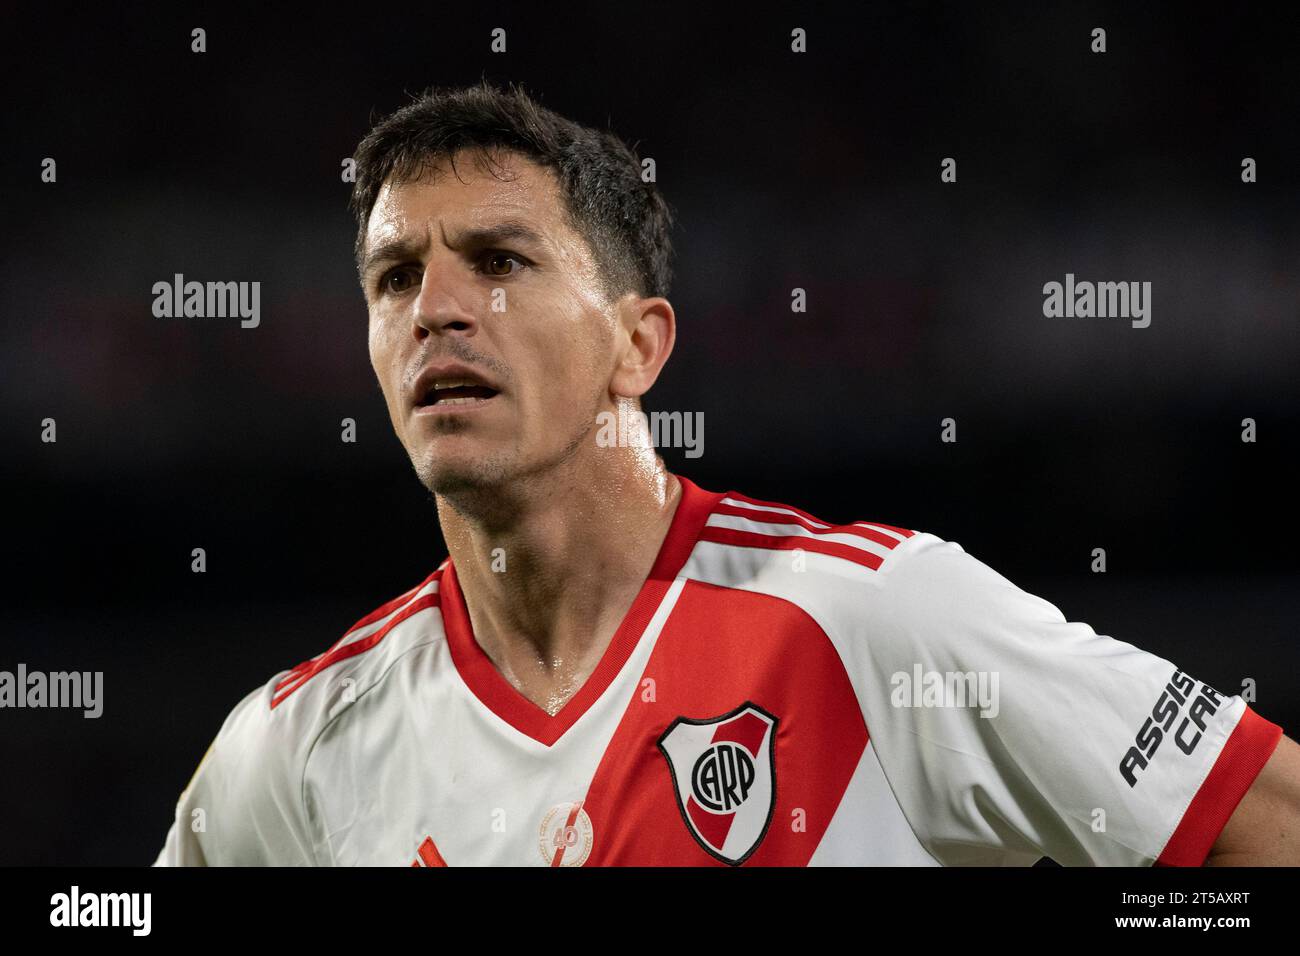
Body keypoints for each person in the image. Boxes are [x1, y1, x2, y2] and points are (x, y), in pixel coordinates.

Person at [155, 81, 1298, 866]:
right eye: (394, 278)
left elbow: (1264, 819)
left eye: (500, 261)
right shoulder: (299, 745)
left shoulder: (863, 620)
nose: (437, 310)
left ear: (637, 343)